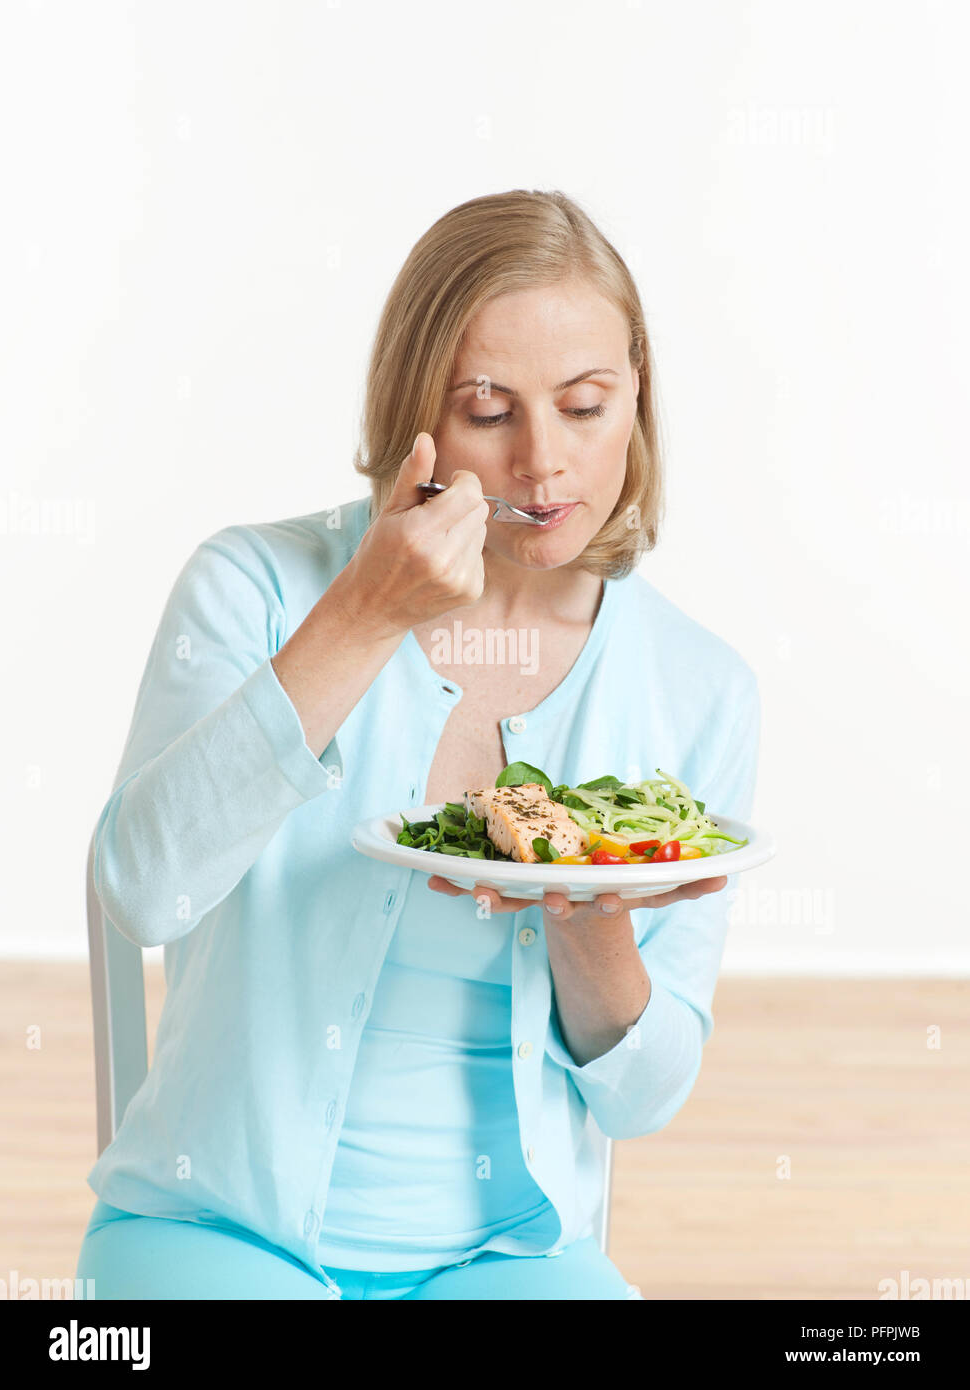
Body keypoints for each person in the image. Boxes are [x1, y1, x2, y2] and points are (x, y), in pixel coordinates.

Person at [75, 188, 760, 1300]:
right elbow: (141, 891)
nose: (544, 464)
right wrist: (364, 613)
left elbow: (642, 1101)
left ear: (636, 391)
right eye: (489, 411)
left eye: (585, 405)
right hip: (216, 1229)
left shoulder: (697, 689)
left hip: (505, 1258)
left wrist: (588, 926)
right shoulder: (252, 586)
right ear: (416, 416)